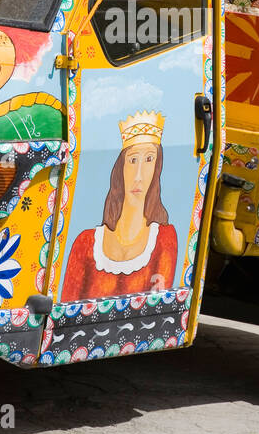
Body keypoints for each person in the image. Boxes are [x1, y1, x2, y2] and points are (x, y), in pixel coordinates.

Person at [60, 110, 179, 301]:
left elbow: (157, 309)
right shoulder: (85, 244)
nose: (139, 175)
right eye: (132, 160)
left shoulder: (164, 240)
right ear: (120, 168)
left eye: (149, 159)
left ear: (157, 169)